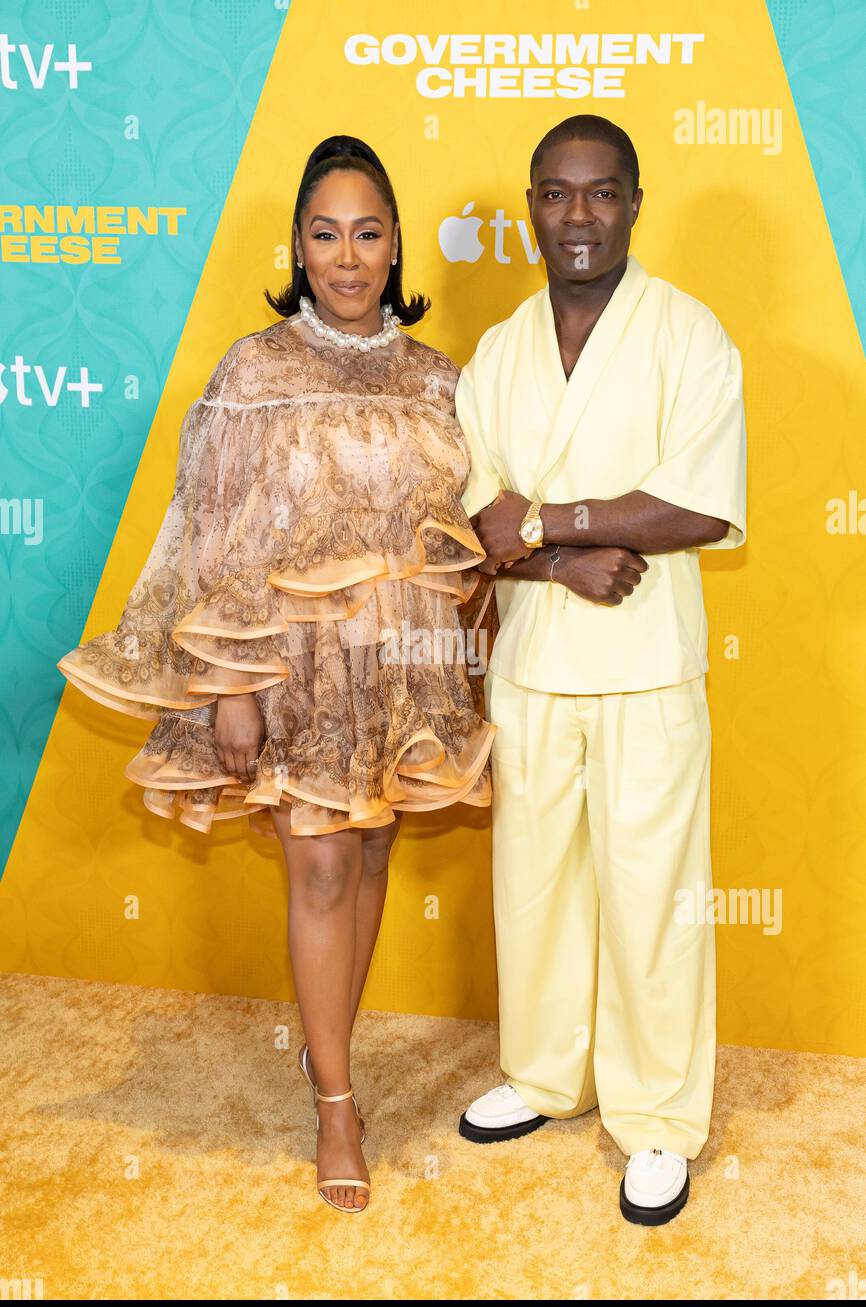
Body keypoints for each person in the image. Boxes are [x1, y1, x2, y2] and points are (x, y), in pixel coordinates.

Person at [56, 134, 496, 1214]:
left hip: (402, 667)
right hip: (288, 669)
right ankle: (337, 1101)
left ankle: (321, 1048)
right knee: (317, 870)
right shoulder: (252, 371)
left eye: (367, 233)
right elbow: (212, 540)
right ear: (296, 247)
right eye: (324, 233)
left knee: (377, 847)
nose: (346, 256)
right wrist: (230, 689)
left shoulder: (439, 380)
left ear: (395, 247)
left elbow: (464, 528)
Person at [454, 114, 747, 1225]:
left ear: (633, 201)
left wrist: (550, 518)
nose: (576, 216)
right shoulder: (496, 351)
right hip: (532, 660)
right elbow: (480, 510)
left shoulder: (687, 335)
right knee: (533, 889)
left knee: (651, 901)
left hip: (645, 667)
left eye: (599, 193)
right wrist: (564, 553)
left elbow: (697, 502)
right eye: (554, 194)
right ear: (529, 205)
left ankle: (659, 1118)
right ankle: (541, 1075)